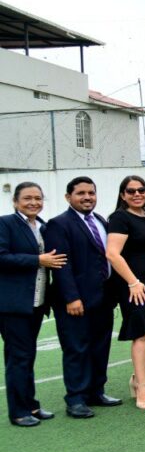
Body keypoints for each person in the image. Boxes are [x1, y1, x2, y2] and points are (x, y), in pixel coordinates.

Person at [45, 176, 120, 418]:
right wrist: (71, 297)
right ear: (69, 197)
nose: (87, 197)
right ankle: (75, 399)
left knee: (101, 346)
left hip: (103, 299)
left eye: (91, 193)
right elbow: (60, 265)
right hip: (75, 301)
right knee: (77, 349)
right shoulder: (59, 224)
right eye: (81, 193)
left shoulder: (100, 220)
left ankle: (96, 392)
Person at [1, 182, 66, 426]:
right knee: (18, 356)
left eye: (38, 198)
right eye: (27, 198)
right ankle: (18, 412)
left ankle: (31, 406)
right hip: (13, 304)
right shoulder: (5, 223)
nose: (33, 202)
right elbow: (1, 257)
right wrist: (37, 259)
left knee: (27, 355)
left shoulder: (43, 226)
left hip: (36, 303)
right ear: (16, 201)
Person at [106, 175, 145, 410]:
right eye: (131, 191)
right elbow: (112, 253)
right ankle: (141, 388)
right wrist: (133, 282)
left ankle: (138, 380)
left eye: (141, 190)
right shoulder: (120, 218)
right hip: (135, 286)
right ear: (123, 195)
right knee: (141, 334)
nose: (137, 194)